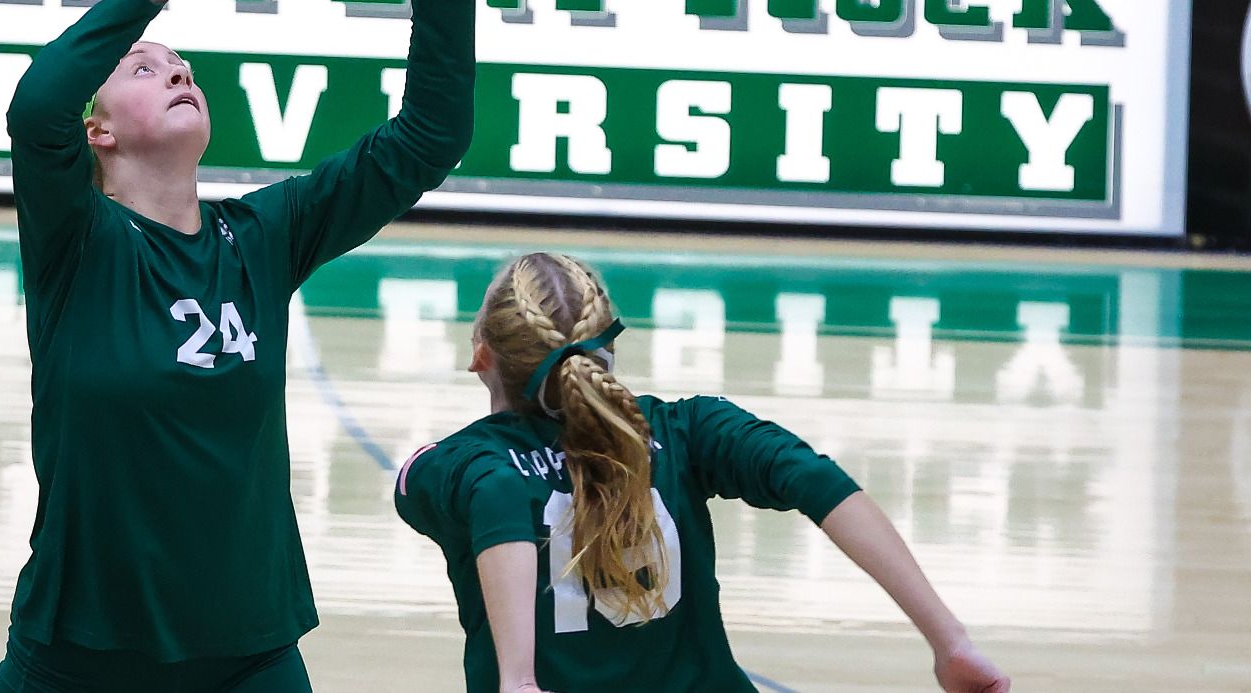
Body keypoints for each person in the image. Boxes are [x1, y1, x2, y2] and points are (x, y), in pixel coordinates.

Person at [0, 0, 475, 693]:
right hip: (80, 647)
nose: (176, 67)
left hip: (246, 649)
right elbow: (37, 106)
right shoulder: (78, 241)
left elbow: (428, 138)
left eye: (181, 64)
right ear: (97, 131)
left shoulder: (264, 233)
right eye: (143, 68)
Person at [396, 252, 1013, 693]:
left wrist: (519, 679)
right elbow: (820, 483)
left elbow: (493, 493)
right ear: (607, 352)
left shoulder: (467, 462)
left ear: (481, 355)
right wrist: (949, 641)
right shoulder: (690, 430)